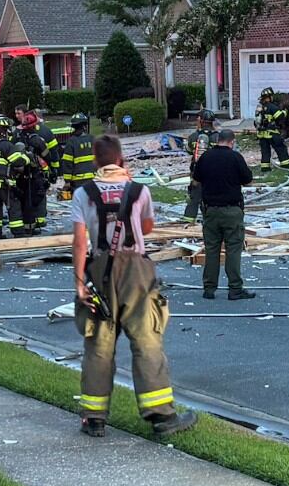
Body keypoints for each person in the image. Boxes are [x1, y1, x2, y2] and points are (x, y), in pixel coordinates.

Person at [71, 135, 197, 438]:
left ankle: (94, 418)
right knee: (146, 340)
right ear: (122, 160)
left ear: (95, 162)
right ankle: (161, 417)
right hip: (137, 271)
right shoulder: (140, 190)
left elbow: (79, 239)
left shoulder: (83, 193)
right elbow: (148, 227)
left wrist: (79, 281)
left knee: (99, 345)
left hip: (99, 270)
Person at [191, 126, 255, 300]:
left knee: (212, 249)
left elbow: (196, 181)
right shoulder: (235, 157)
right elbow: (248, 181)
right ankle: (235, 288)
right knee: (233, 249)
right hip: (232, 210)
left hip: (210, 211)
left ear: (217, 140)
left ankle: (209, 288)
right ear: (232, 142)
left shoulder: (206, 157)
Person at [254, 88, 289, 166]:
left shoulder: (259, 107)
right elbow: (280, 117)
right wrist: (285, 112)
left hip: (261, 134)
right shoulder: (271, 106)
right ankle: (286, 164)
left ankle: (265, 167)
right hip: (272, 133)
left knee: (265, 152)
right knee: (281, 148)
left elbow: (256, 121)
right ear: (268, 97)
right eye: (271, 96)